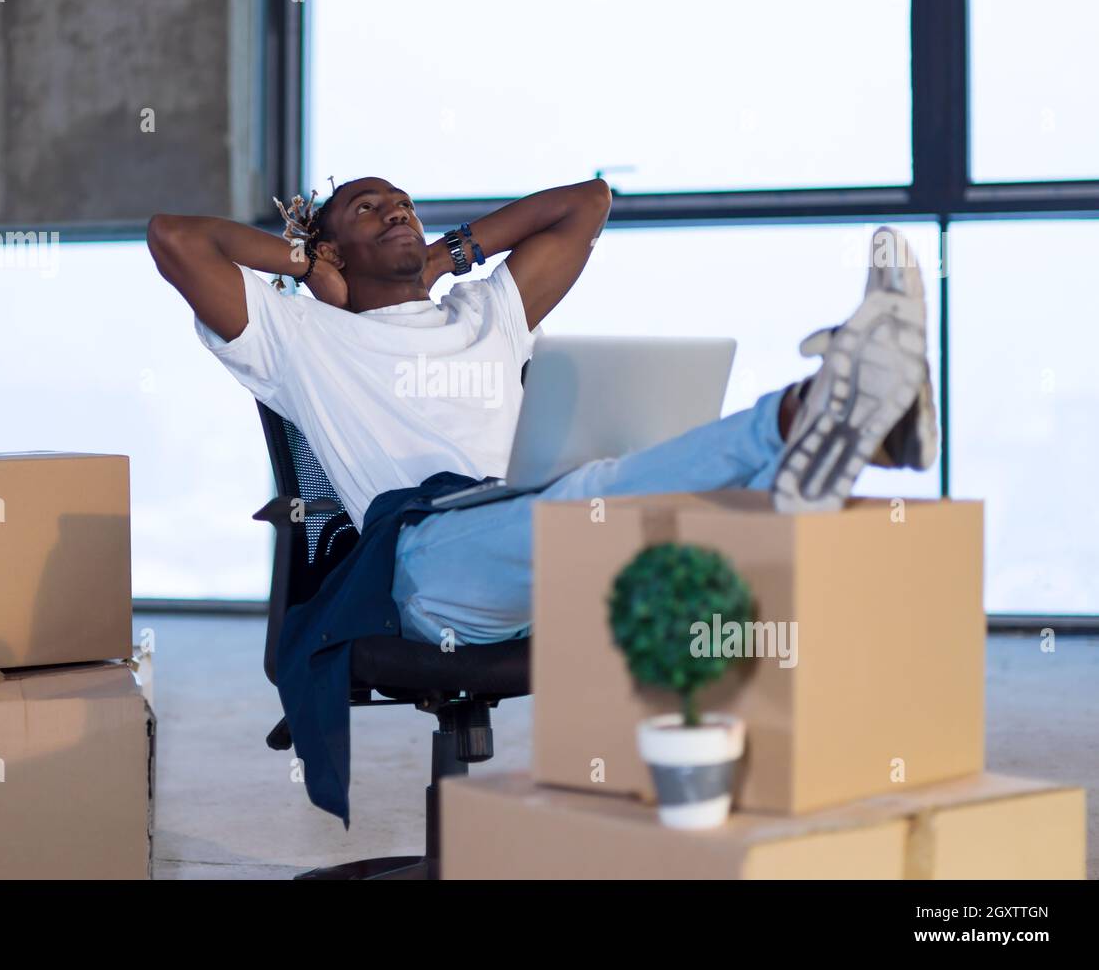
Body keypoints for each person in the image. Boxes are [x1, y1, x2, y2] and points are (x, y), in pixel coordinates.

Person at [148, 177, 936, 826]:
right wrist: (305, 265)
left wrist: (452, 252)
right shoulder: (299, 335)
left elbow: (588, 203)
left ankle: (847, 424)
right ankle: (816, 411)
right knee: (591, 499)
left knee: (668, 536)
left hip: (519, 541)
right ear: (333, 251)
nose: (398, 212)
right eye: (368, 209)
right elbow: (175, 237)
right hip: (418, 565)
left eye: (405, 204)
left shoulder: (485, 311)